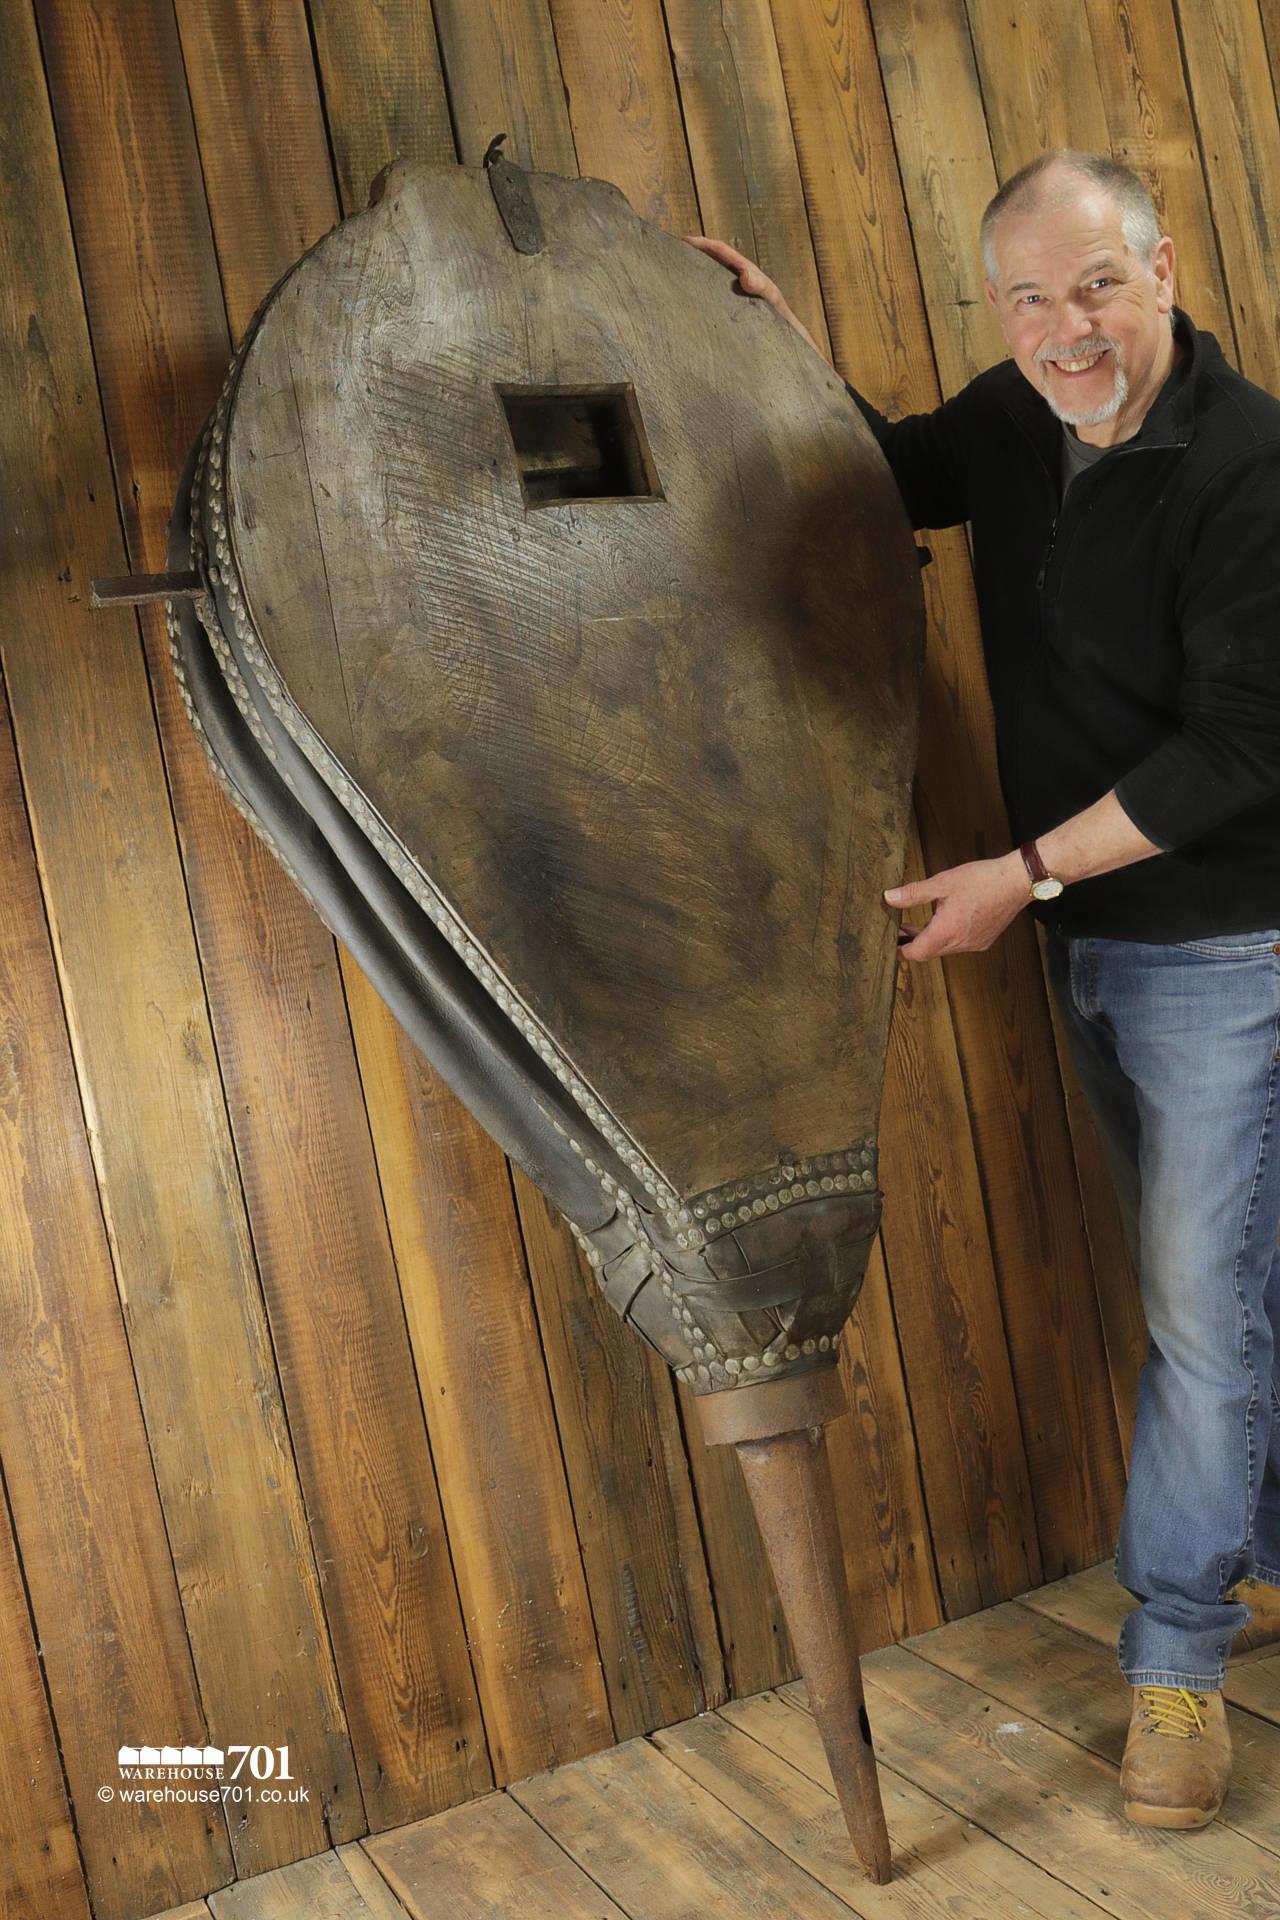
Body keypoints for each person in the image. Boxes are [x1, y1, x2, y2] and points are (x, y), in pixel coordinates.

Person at [685, 148, 1280, 1832]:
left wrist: (1022, 874)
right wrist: (770, 345)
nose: (1063, 329)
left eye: (1095, 286)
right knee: (1235, 1291)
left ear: (1164, 269)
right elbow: (882, 471)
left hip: (1229, 947)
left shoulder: (1253, 467)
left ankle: (1178, 1659)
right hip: (1094, 942)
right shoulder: (1021, 416)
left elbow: (1245, 748)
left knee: (1200, 1312)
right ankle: (1260, 1549)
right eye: (1027, 299)